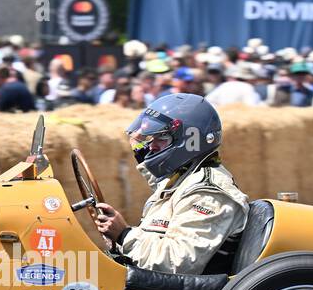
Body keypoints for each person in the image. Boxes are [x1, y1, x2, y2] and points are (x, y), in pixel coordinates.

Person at [94, 93, 249, 275]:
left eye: (160, 138)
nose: (151, 146)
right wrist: (139, 148)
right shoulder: (183, 177)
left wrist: (125, 235)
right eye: (151, 139)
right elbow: (158, 180)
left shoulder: (209, 194)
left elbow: (178, 262)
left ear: (190, 140)